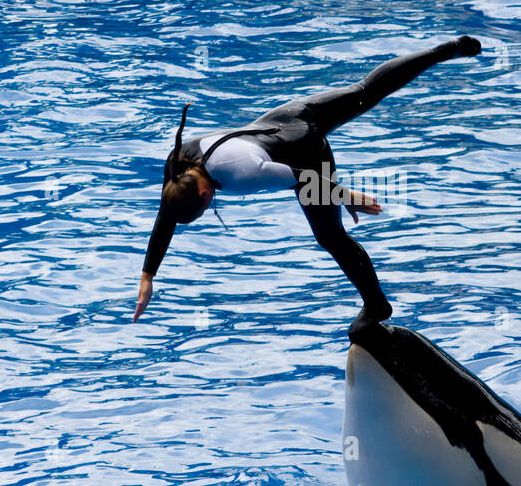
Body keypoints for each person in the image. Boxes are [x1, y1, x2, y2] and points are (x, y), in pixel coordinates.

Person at [133, 35, 482, 332]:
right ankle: (444, 51)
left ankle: (377, 307)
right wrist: (148, 275)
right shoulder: (180, 160)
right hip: (288, 115)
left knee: (331, 237)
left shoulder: (243, 176)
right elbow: (169, 211)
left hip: (306, 152)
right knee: (366, 89)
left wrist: (347, 196)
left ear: (207, 195)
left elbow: (303, 180)